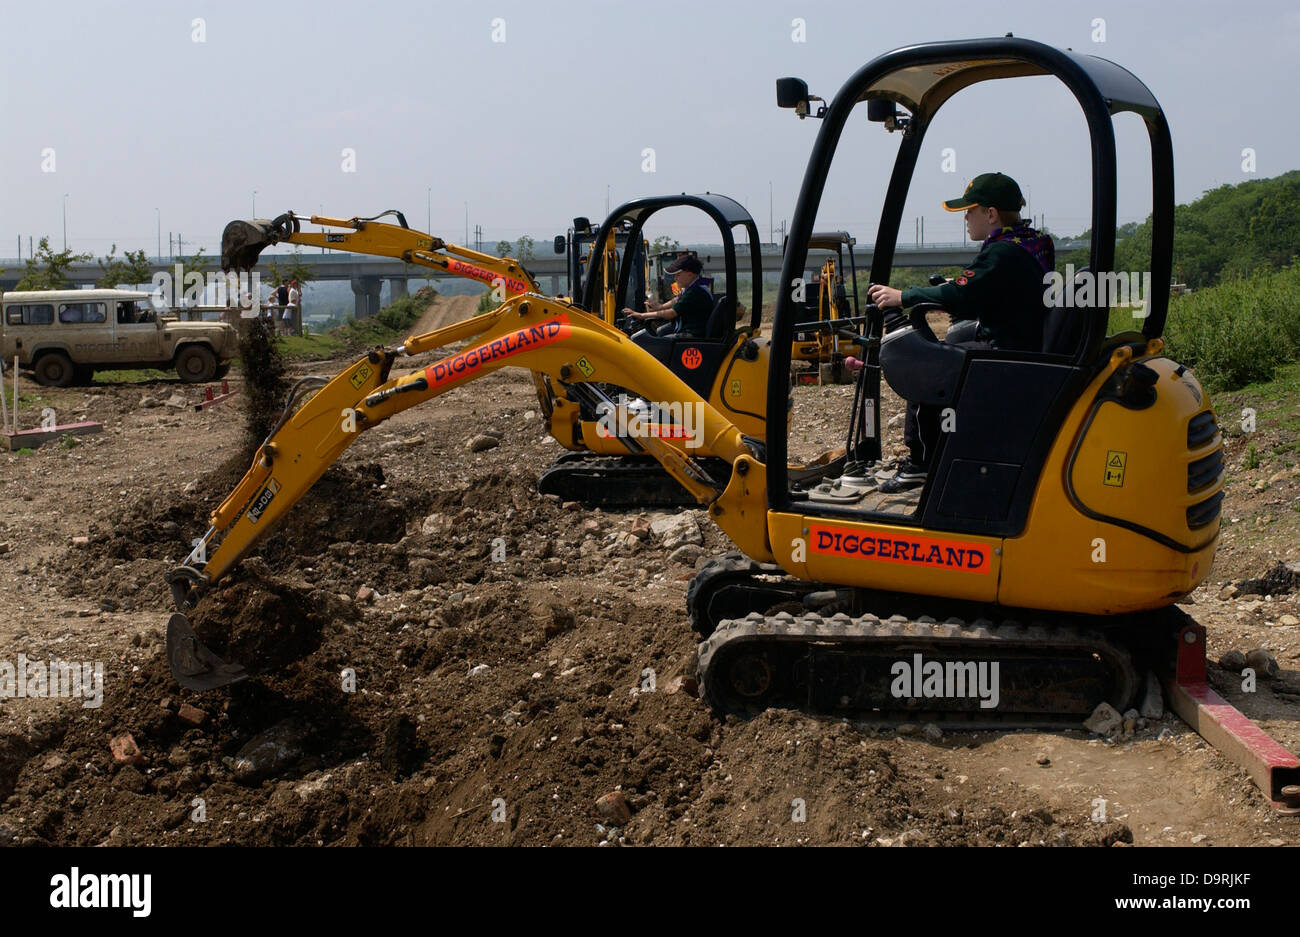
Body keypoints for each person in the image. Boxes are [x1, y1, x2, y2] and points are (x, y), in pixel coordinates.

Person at [867, 172, 1055, 494]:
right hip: (1022, 343)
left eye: (970, 211)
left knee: (926, 367)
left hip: (1007, 351)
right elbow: (990, 292)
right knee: (952, 341)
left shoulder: (1002, 252)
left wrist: (903, 296)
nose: (966, 218)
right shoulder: (1032, 241)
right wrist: (953, 294)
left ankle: (921, 463)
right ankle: (947, 449)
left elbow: (964, 291)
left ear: (991, 213)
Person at [624, 254, 712, 338]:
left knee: (660, 343)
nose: (675, 278)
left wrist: (642, 315)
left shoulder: (695, 291)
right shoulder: (695, 285)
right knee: (661, 331)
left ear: (690, 274)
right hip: (687, 327)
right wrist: (659, 307)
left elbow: (671, 313)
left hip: (693, 333)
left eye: (678, 275)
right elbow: (677, 299)